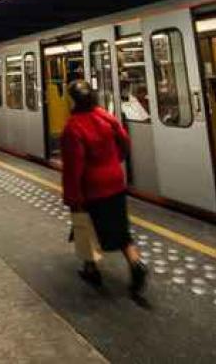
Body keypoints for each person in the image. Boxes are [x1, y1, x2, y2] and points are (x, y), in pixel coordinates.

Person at [61, 79, 148, 294]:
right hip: (115, 182)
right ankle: (136, 263)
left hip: (91, 188)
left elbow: (74, 168)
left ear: (72, 101)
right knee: (121, 230)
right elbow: (125, 142)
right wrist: (114, 161)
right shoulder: (105, 117)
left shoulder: (73, 127)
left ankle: (91, 269)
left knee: (84, 226)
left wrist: (73, 198)